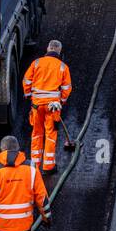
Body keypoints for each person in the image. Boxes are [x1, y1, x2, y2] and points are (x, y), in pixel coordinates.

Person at [23, 40, 72, 173]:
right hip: (53, 106)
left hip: (36, 105)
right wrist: (60, 102)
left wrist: (28, 95)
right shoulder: (63, 67)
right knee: (51, 134)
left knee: (36, 133)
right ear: (59, 51)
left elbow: (26, 81)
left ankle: (34, 164)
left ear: (48, 48)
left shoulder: (36, 63)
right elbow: (67, 88)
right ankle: (48, 166)